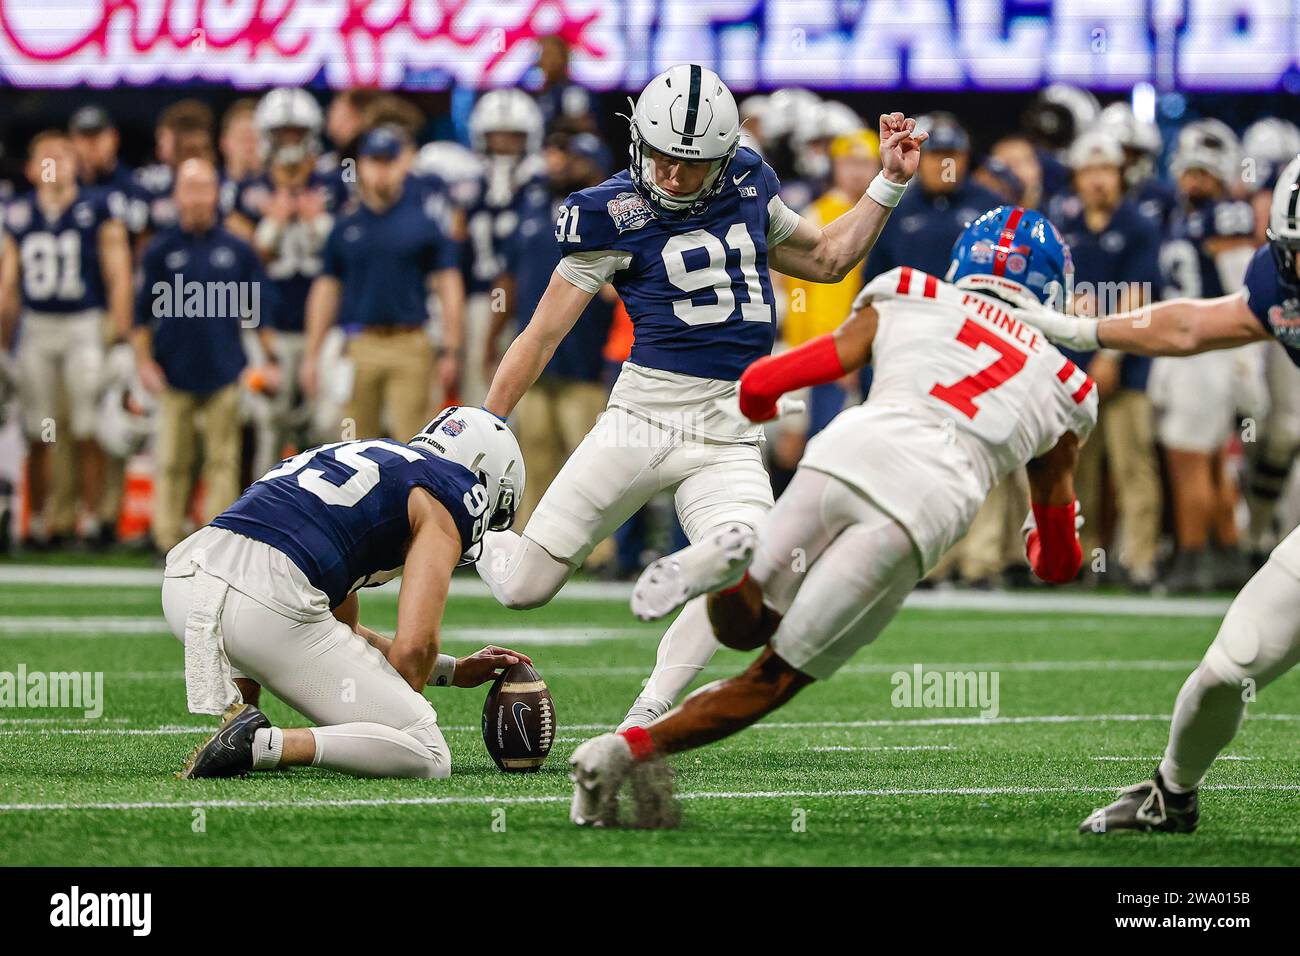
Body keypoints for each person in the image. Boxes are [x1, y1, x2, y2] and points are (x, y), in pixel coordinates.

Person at [567, 207, 1098, 826]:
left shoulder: (911, 290)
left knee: (745, 623)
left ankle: (727, 568)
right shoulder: (1065, 384)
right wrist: (1046, 537)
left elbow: (769, 381)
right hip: (917, 506)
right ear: (1052, 286)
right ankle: (621, 752)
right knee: (771, 677)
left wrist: (756, 406)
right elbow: (1057, 564)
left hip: (844, 452)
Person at [474, 64, 927, 732]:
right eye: (661, 158)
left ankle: (645, 717)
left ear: (723, 156)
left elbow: (829, 259)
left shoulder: (748, 179)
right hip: (641, 418)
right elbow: (541, 334)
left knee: (744, 555)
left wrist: (888, 182)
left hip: (729, 425)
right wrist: (485, 424)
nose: (675, 176)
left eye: (692, 163)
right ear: (638, 142)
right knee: (523, 589)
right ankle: (479, 530)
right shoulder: (607, 212)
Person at [1004, 155, 1300, 833]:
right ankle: (1172, 793)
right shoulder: (1277, 283)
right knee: (1228, 671)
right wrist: (1081, 331)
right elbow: (1193, 326)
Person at [167, 406, 531, 780]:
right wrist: (399, 716)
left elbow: (343, 634)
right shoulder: (452, 492)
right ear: (486, 480)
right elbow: (416, 645)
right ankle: (259, 744)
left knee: (268, 606)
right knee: (427, 753)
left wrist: (451, 671)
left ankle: (241, 720)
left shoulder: (363, 460)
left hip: (185, 584)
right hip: (262, 603)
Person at [0, 131, 132, 549]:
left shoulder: (97, 208)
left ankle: (92, 519)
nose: (54, 164)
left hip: (84, 323)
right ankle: (42, 521)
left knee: (87, 424)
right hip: (38, 326)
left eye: (62, 156)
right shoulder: (18, 213)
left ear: (76, 164)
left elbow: (119, 273)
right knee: (41, 429)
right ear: (29, 168)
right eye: (45, 157)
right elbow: (8, 286)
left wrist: (121, 332)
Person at [133, 158, 267, 554]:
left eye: (203, 188)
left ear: (216, 193)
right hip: (173, 370)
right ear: (176, 195)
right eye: (188, 188)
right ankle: (167, 537)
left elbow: (258, 310)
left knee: (222, 461)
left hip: (225, 368)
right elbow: (141, 316)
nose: (196, 198)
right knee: (172, 458)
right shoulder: (160, 250)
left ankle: (216, 539)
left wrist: (266, 359)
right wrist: (143, 361)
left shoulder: (237, 250)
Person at [300, 125, 465, 442]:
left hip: (410, 342)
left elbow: (449, 283)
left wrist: (451, 348)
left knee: (412, 445)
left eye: (388, 161)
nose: (381, 171)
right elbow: (326, 289)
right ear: (361, 165)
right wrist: (312, 354)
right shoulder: (346, 225)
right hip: (359, 343)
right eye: (374, 161)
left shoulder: (423, 223)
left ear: (402, 165)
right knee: (354, 448)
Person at [1053, 130, 1164, 589]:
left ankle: (1139, 560)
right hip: (1073, 367)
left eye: (1107, 171)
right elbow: (1055, 295)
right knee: (1078, 469)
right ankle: (1086, 557)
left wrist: (1111, 355)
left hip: (1126, 365)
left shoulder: (1138, 226)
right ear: (1077, 177)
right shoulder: (1064, 225)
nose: (1099, 180)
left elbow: (1137, 300)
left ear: (1120, 176)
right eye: (1090, 171)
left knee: (1133, 463)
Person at [1152, 124, 1259, 591]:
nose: (1194, 182)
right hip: (1188, 351)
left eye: (1204, 174)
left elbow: (1245, 293)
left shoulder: (1225, 217)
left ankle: (1192, 560)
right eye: (1189, 172)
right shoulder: (1184, 217)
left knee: (1189, 463)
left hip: (1205, 353)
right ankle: (1228, 556)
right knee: (1213, 462)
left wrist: (1245, 361)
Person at [491, 132, 616, 526]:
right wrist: (493, 335)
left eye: (574, 157)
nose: (560, 163)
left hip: (587, 357)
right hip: (535, 353)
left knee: (589, 458)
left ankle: (598, 549)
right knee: (532, 451)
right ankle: (529, 537)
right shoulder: (532, 207)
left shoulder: (612, 214)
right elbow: (509, 277)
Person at [228, 88, 347, 475]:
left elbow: (349, 253)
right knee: (268, 422)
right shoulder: (250, 190)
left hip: (324, 326)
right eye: (282, 134)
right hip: (271, 326)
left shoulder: (334, 185)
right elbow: (239, 261)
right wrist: (272, 226)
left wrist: (320, 226)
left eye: (297, 133)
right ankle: (264, 511)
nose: (290, 143)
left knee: (325, 422)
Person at [861, 113, 1003, 282]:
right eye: (935, 154)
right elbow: (874, 276)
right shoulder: (896, 208)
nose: (943, 164)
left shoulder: (993, 209)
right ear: (920, 158)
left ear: (966, 158)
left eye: (950, 154)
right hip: (909, 306)